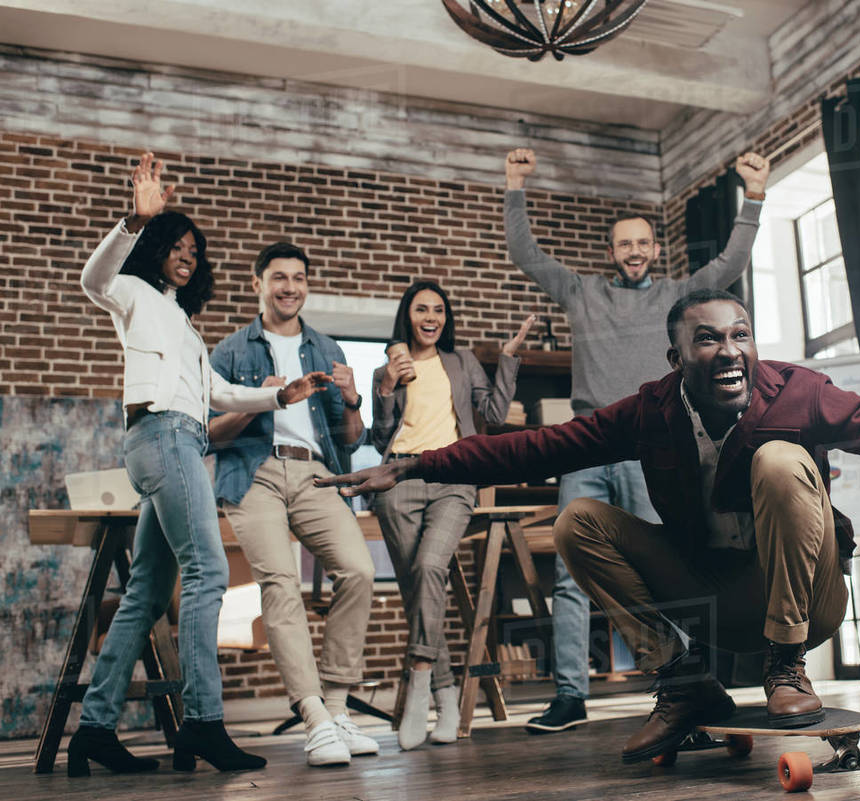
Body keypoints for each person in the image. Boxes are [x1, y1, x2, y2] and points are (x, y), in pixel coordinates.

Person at [318, 288, 860, 764]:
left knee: (781, 460)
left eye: (739, 333)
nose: (729, 349)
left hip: (803, 602)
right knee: (582, 518)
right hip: (708, 599)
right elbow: (535, 445)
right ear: (677, 356)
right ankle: (685, 681)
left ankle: (784, 666)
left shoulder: (798, 394)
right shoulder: (649, 410)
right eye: (707, 339)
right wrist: (414, 463)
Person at [72, 152, 329, 777]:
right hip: (163, 436)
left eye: (194, 250)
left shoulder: (185, 324)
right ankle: (203, 722)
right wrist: (135, 220)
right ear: (155, 248)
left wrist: (280, 397)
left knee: (146, 591)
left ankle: (94, 730)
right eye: (176, 246)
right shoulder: (133, 293)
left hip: (179, 442)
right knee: (209, 570)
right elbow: (92, 279)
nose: (187, 256)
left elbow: (218, 393)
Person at [503, 147, 770, 733]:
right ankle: (570, 695)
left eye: (642, 242)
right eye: (624, 243)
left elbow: (729, 263)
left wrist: (753, 195)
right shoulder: (580, 292)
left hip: (654, 448)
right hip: (587, 448)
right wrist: (515, 183)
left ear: (654, 248)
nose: (634, 251)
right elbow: (525, 253)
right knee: (571, 574)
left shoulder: (679, 297)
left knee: (666, 567)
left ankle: (687, 687)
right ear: (611, 252)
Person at [207, 242, 379, 767]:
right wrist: (262, 399)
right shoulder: (230, 352)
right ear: (257, 284)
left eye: (298, 277)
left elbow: (351, 439)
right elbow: (207, 433)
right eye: (279, 277)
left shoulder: (327, 348)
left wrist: (352, 399)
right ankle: (314, 718)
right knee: (280, 584)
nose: (290, 287)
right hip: (253, 471)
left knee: (359, 571)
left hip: (315, 473)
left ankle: (336, 707)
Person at [370, 280, 535, 749]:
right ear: (407, 316)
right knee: (417, 591)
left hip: (454, 477)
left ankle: (421, 681)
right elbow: (380, 436)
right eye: (421, 309)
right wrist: (387, 386)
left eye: (438, 310)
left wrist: (508, 358)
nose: (431, 318)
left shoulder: (462, 361)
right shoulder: (387, 369)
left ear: (446, 317)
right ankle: (446, 693)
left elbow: (494, 414)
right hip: (399, 480)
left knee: (429, 567)